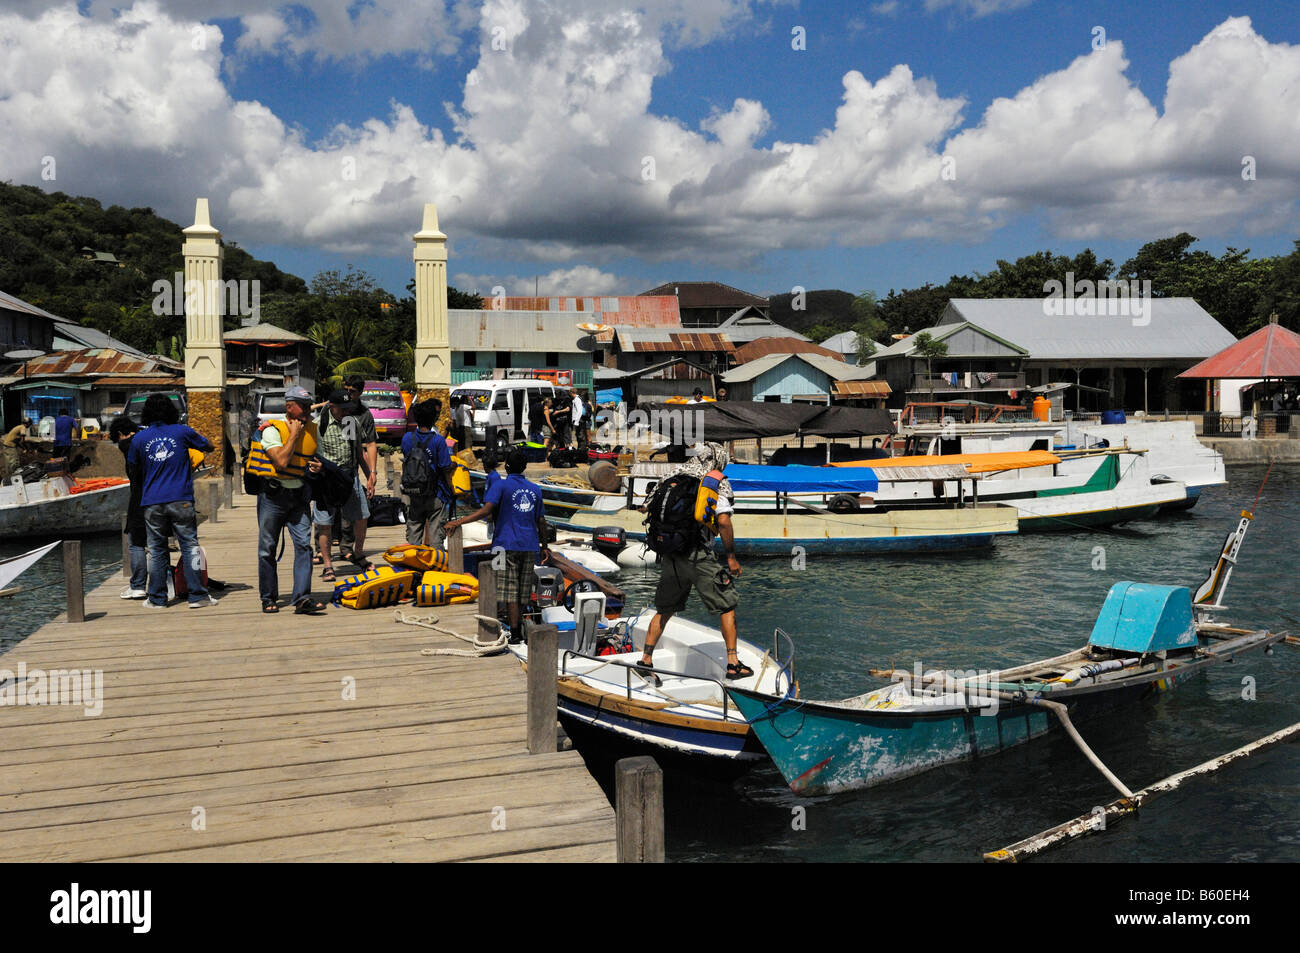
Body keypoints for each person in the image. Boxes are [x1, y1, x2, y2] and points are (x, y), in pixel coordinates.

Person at [637, 441, 750, 685]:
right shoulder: (714, 481)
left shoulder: (671, 475)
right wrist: (731, 557)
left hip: (670, 555)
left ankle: (646, 660)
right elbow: (724, 521)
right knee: (727, 604)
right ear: (718, 459)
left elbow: (643, 508)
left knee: (665, 609)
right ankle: (733, 665)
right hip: (698, 555)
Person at [445, 448, 547, 638]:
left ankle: (514, 631)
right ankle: (519, 626)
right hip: (529, 546)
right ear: (524, 467)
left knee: (507, 590)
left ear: (507, 466)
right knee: (523, 591)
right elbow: (541, 521)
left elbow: (486, 511)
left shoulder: (500, 485)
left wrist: (458, 521)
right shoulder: (535, 490)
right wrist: (545, 546)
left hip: (503, 545)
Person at [127, 394, 214, 609]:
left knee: (157, 550)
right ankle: (198, 596)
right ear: (172, 411)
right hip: (181, 498)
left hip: (152, 500)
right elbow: (208, 446)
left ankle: (157, 598)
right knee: (190, 546)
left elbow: (132, 469)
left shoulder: (139, 438)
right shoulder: (182, 432)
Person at [254, 385, 325, 614]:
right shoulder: (272, 430)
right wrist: (294, 435)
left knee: (304, 547)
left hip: (299, 496)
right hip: (273, 496)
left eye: (308, 406)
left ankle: (302, 598)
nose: (306, 410)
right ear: (289, 407)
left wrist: (318, 467)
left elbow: (318, 458)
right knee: (267, 548)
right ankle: (268, 597)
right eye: (302, 406)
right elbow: (281, 463)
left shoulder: (313, 430)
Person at [312, 390, 373, 582]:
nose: (347, 412)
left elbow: (357, 451)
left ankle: (359, 553)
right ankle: (328, 565)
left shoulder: (350, 422)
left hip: (349, 476)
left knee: (362, 516)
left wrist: (370, 475)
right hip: (326, 478)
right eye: (343, 409)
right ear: (332, 407)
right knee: (324, 524)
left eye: (349, 408)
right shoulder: (317, 425)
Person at [401, 398, 454, 547]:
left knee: (414, 530)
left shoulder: (406, 438)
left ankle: (412, 563)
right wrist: (453, 464)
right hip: (436, 494)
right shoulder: (438, 441)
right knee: (436, 535)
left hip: (414, 492)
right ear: (433, 420)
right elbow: (444, 466)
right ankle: (434, 565)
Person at [338, 375, 379, 557]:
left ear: (360, 392)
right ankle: (320, 550)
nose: (347, 394)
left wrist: (372, 472)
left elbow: (369, 445)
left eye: (352, 391)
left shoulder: (364, 415)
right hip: (329, 465)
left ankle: (348, 547)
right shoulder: (333, 407)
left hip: (351, 466)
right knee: (326, 511)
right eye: (345, 389)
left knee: (355, 509)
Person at [108, 415, 147, 599]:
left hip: (139, 498)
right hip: (161, 495)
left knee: (136, 542)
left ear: (120, 434)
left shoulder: (127, 444)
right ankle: (159, 583)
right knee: (156, 544)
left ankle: (138, 585)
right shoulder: (148, 438)